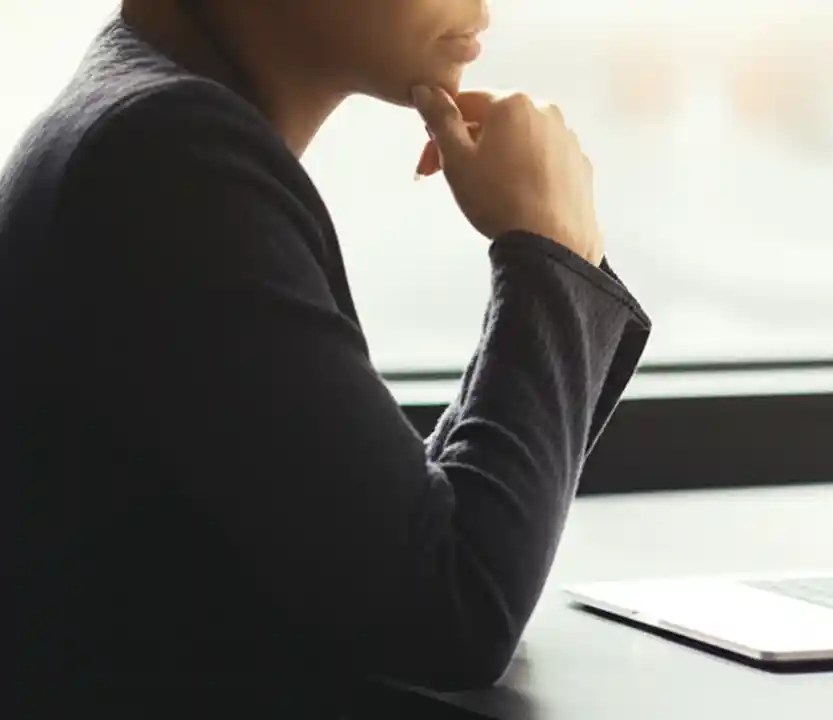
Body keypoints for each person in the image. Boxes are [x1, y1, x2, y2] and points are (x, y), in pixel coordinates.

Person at [0, 0, 650, 713]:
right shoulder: (169, 160)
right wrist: (549, 257)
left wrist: (554, 262)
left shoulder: (142, 128)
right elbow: (450, 611)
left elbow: (386, 548)